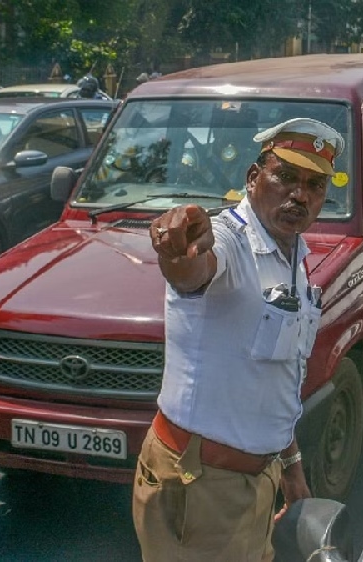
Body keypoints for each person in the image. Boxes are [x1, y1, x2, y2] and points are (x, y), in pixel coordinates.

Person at [133, 117, 343, 561]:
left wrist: (289, 465)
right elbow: (194, 269)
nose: (300, 194)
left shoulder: (291, 255)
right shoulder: (231, 238)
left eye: (314, 185)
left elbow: (274, 375)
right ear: (253, 178)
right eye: (285, 176)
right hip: (200, 485)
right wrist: (179, 248)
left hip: (258, 480)